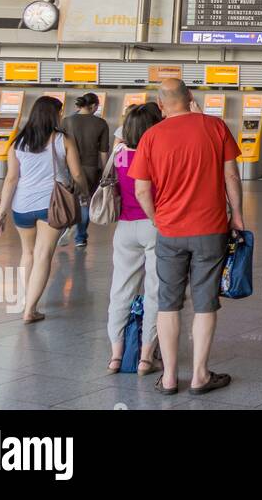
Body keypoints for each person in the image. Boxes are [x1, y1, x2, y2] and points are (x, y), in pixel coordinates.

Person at [129, 79, 243, 396]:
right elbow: (231, 175)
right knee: (205, 303)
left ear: (161, 104)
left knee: (168, 304)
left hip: (170, 232)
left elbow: (141, 190)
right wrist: (238, 214)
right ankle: (199, 376)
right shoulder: (215, 127)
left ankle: (168, 379)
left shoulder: (151, 136)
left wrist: (157, 218)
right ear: (190, 97)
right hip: (211, 229)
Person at [0, 96, 86, 323]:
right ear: (54, 115)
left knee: (28, 254)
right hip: (51, 205)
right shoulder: (62, 139)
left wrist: (1, 213)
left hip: (21, 206)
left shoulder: (18, 142)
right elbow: (76, 174)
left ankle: (28, 300)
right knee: (44, 255)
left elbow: (11, 179)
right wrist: (84, 191)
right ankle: (30, 310)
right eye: (60, 112)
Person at [105, 102, 165, 375]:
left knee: (121, 290)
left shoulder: (118, 152)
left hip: (124, 227)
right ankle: (145, 356)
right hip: (153, 225)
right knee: (154, 291)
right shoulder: (154, 154)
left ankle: (116, 355)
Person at [60, 92, 112, 248]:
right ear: (94, 106)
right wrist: (105, 171)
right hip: (90, 168)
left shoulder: (66, 121)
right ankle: (80, 238)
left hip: (68, 167)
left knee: (68, 200)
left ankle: (66, 227)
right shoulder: (101, 124)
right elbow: (103, 152)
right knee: (85, 201)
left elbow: (59, 145)